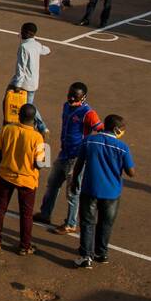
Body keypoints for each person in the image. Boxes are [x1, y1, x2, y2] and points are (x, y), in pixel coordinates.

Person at [35, 81, 101, 236]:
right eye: (70, 95)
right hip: (63, 154)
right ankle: (45, 213)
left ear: (83, 97)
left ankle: (71, 223)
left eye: (75, 97)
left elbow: (100, 129)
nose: (71, 99)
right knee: (52, 184)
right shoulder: (66, 106)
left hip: (76, 159)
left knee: (73, 192)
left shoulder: (88, 113)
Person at [71, 114, 135, 268]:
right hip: (112, 193)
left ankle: (86, 256)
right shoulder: (122, 148)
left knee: (87, 223)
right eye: (122, 129)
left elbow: (79, 164)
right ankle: (102, 253)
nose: (122, 132)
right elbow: (131, 172)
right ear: (115, 129)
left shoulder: (89, 141)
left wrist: (74, 181)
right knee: (106, 223)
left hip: (90, 189)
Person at [0, 103, 46, 256]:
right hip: (27, 180)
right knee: (26, 214)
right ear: (34, 120)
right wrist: (45, 146)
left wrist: (1, 167)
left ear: (19, 116)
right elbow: (40, 164)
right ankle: (24, 246)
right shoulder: (37, 138)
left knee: (0, 208)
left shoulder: (7, 129)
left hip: (6, 175)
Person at [9, 22, 50, 135]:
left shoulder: (23, 47)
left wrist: (17, 84)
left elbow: (21, 67)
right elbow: (46, 50)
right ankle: (42, 127)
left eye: (22, 31)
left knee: (11, 103)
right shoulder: (36, 45)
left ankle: (41, 127)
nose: (20, 33)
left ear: (27, 33)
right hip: (33, 83)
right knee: (29, 105)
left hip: (23, 83)